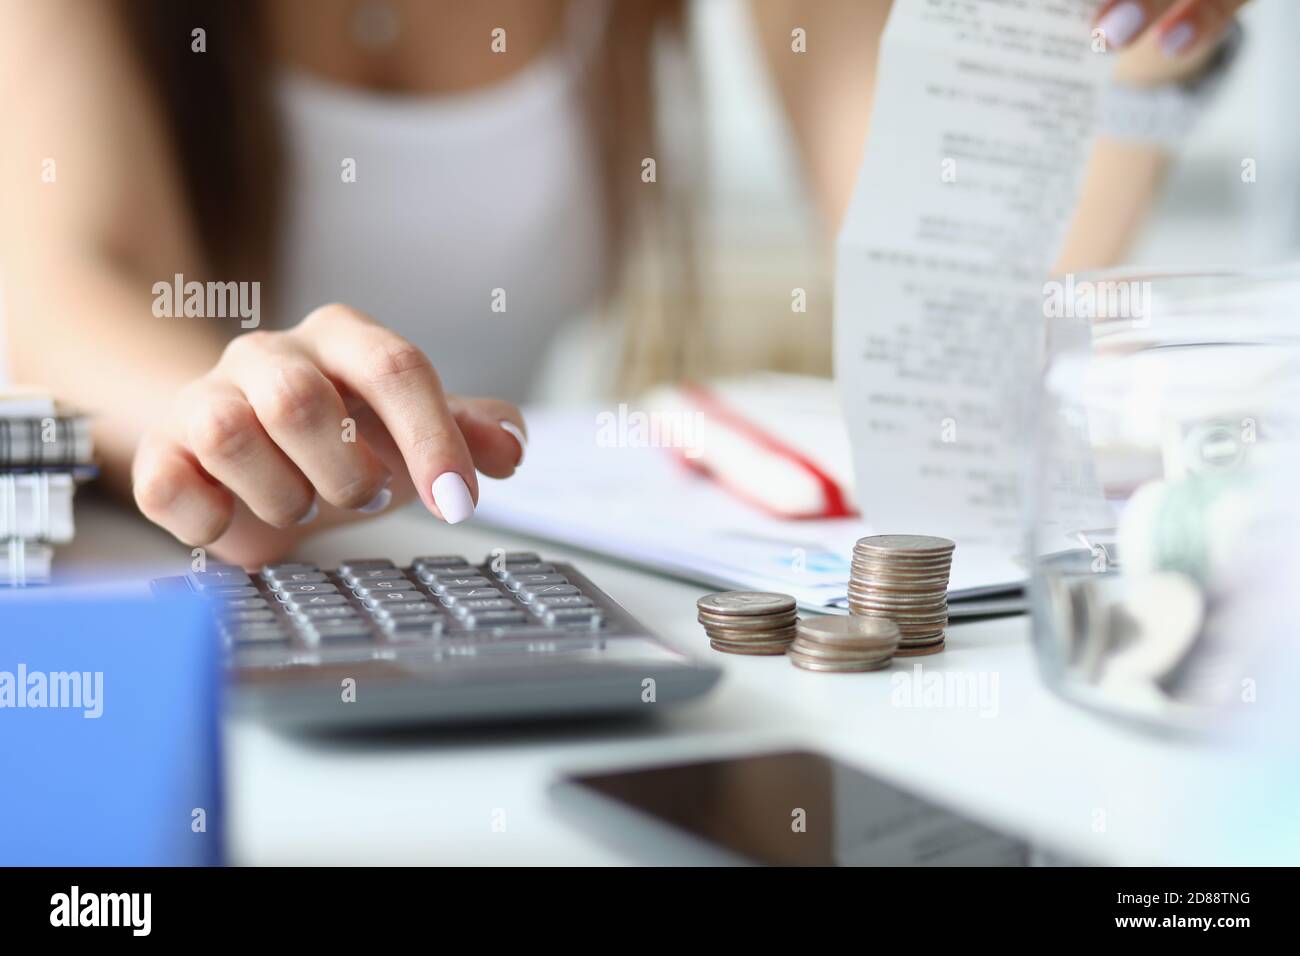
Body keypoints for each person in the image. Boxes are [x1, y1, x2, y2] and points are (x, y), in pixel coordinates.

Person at [0, 0, 1246, 567]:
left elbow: (964, 289)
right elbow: (63, 279)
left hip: (507, 601)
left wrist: (1130, 45)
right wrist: (221, 417)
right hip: (169, 597)